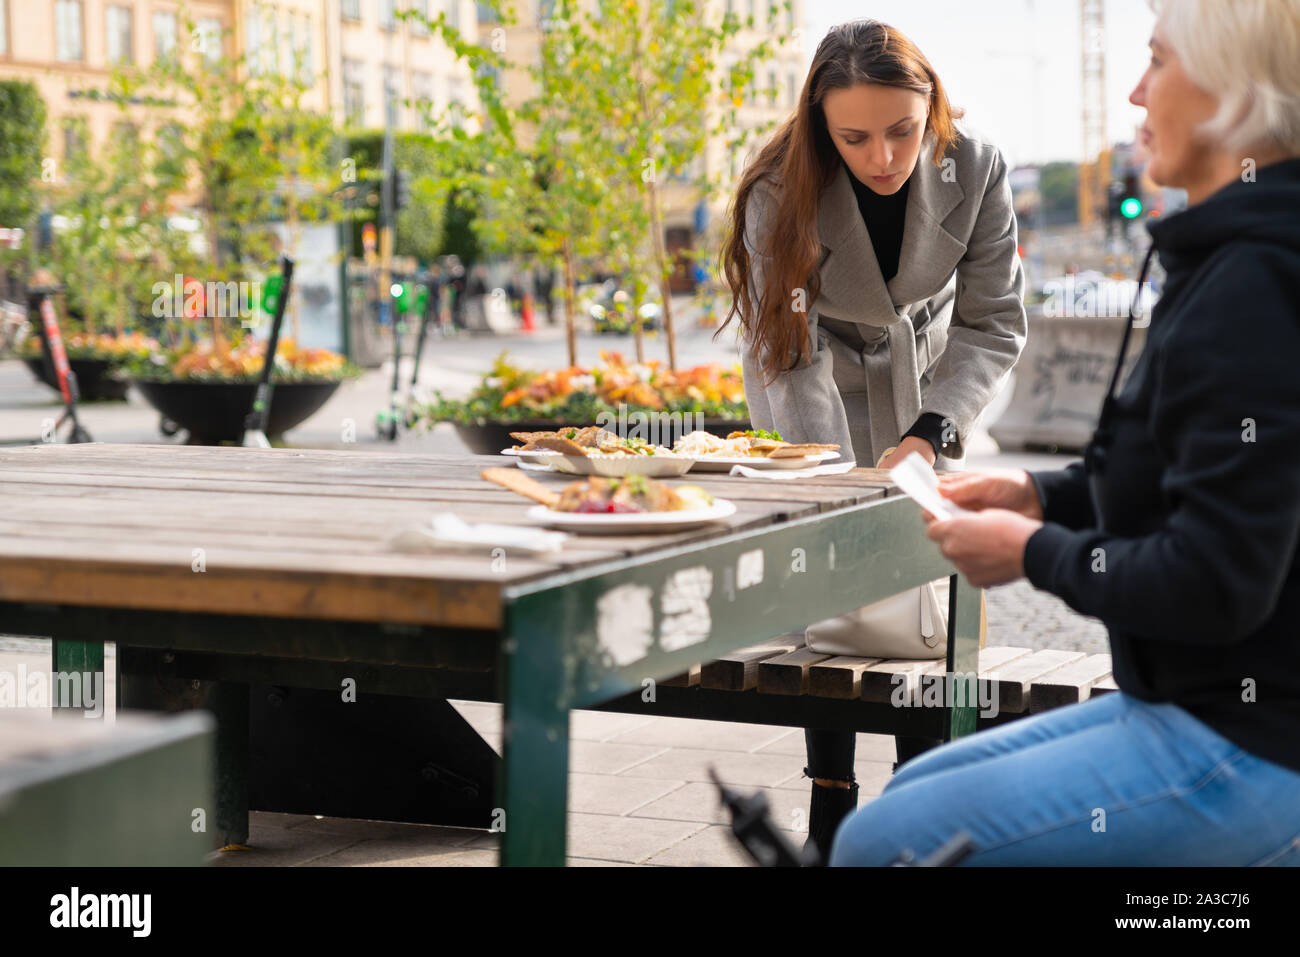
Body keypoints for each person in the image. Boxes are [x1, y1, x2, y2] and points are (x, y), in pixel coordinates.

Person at [831, 0, 1300, 866]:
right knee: (906, 800)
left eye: (1157, 61)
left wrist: (1032, 549)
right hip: (1199, 704)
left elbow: (1216, 582)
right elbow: (1182, 476)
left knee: (883, 842)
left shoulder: (1254, 286)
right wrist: (1038, 492)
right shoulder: (1236, 255)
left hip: (1252, 735)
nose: (1132, 93)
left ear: (1239, 93)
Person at [718, 19, 1028, 861]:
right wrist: (837, 486)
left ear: (934, 109)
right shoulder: (778, 195)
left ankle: (918, 792)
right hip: (808, 381)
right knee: (830, 579)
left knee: (921, 587)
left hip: (926, 387)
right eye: (854, 137)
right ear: (822, 125)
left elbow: (995, 322)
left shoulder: (981, 168)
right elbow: (792, 358)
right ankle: (830, 799)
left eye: (903, 130)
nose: (883, 156)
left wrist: (932, 431)